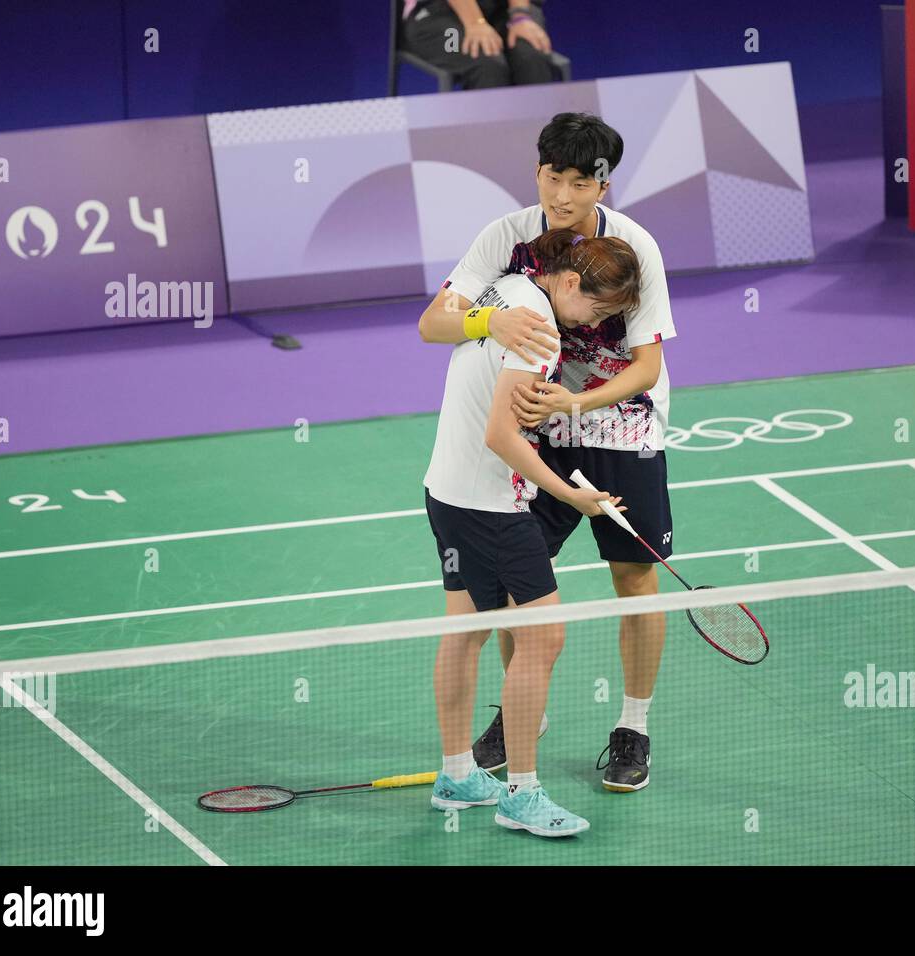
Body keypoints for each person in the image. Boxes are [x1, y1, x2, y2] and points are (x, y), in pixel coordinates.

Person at [418, 112, 677, 793]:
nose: (563, 196)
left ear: (603, 185)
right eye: (552, 177)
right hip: (541, 434)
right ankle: (519, 717)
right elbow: (432, 323)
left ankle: (634, 727)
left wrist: (578, 402)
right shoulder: (503, 238)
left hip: (622, 430)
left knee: (633, 580)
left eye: (580, 182)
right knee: (515, 589)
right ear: (538, 173)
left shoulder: (634, 248)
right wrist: (488, 318)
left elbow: (646, 368)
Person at [425, 228, 640, 837]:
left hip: (446, 488)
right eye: (595, 310)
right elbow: (502, 435)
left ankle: (457, 774)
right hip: (490, 505)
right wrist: (573, 495)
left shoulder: (509, 289)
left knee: (464, 634)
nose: (592, 324)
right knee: (543, 640)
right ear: (569, 282)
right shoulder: (539, 331)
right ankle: (521, 793)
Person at [401, 0, 556, 90]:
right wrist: (475, 22)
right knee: (486, 62)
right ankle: (488, 142)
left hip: (505, 7)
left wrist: (520, 15)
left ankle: (542, 139)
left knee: (531, 55)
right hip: (437, 14)